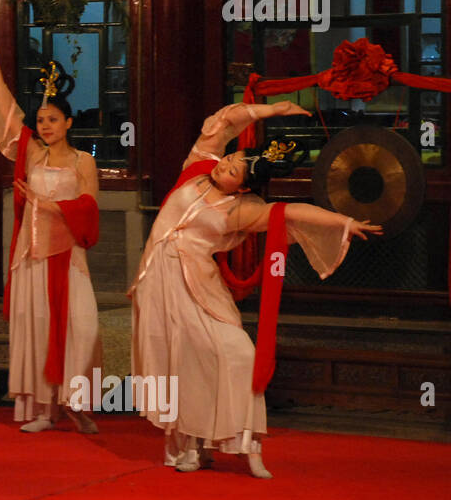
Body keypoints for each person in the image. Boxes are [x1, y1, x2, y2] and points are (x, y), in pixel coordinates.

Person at [130, 100, 382, 477]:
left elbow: (290, 213)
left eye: (234, 170)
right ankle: (188, 447)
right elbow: (220, 124)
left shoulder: (241, 210)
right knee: (175, 363)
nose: (225, 164)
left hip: (197, 285)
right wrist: (271, 110)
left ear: (244, 186)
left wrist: (343, 222)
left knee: (236, 353)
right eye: (230, 159)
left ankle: (247, 444)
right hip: (157, 282)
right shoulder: (196, 170)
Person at [0, 31, 102, 434]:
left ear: (69, 122)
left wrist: (51, 206)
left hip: (67, 257)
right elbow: (9, 115)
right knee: (35, 328)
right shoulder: (31, 152)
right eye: (41, 121)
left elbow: (89, 206)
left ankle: (77, 402)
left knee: (81, 327)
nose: (45, 126)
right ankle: (43, 408)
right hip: (31, 255)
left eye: (53, 120)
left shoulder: (83, 161)